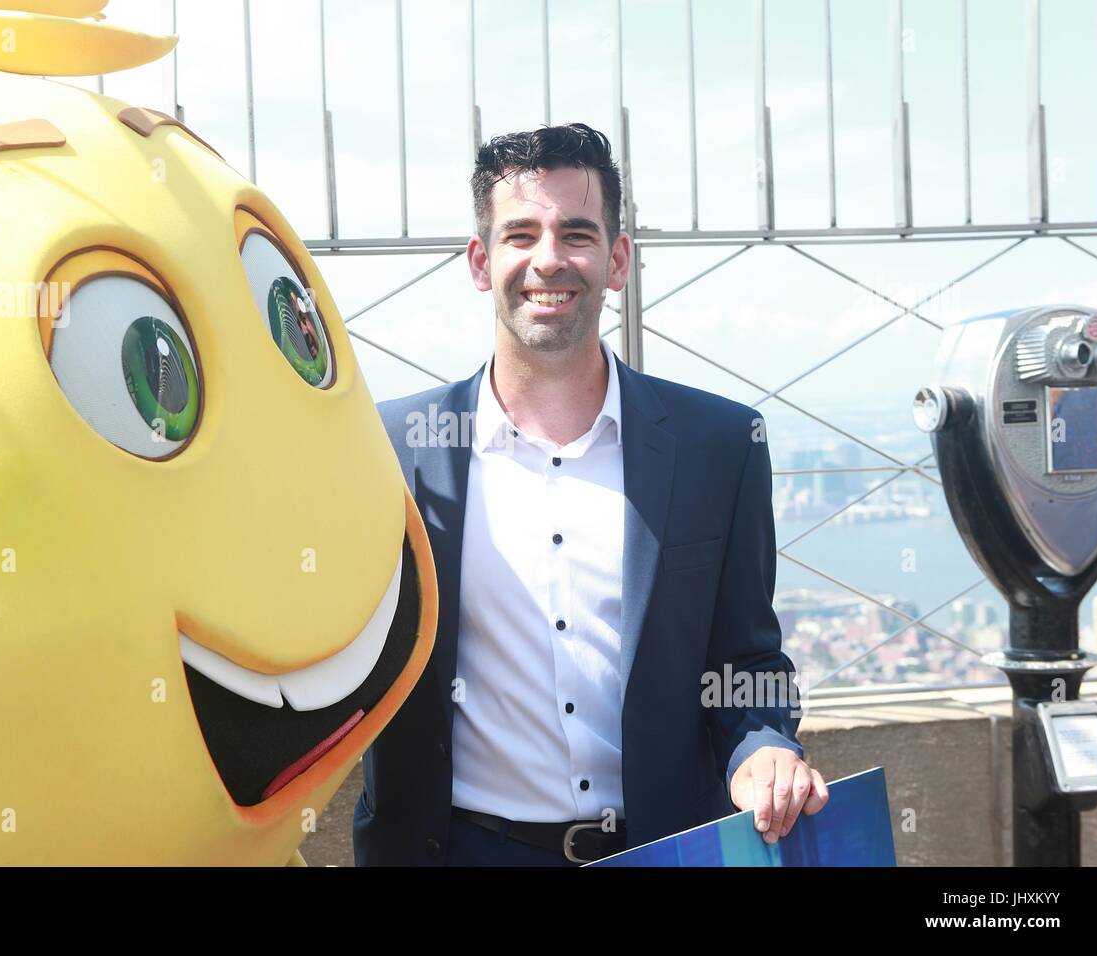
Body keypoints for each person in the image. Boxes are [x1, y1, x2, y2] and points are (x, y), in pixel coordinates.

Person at [354, 122, 827, 866]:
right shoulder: (392, 449)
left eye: (577, 233)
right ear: (481, 262)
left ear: (618, 259)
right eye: (520, 234)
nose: (549, 259)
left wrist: (762, 749)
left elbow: (748, 662)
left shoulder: (721, 446)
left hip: (668, 851)